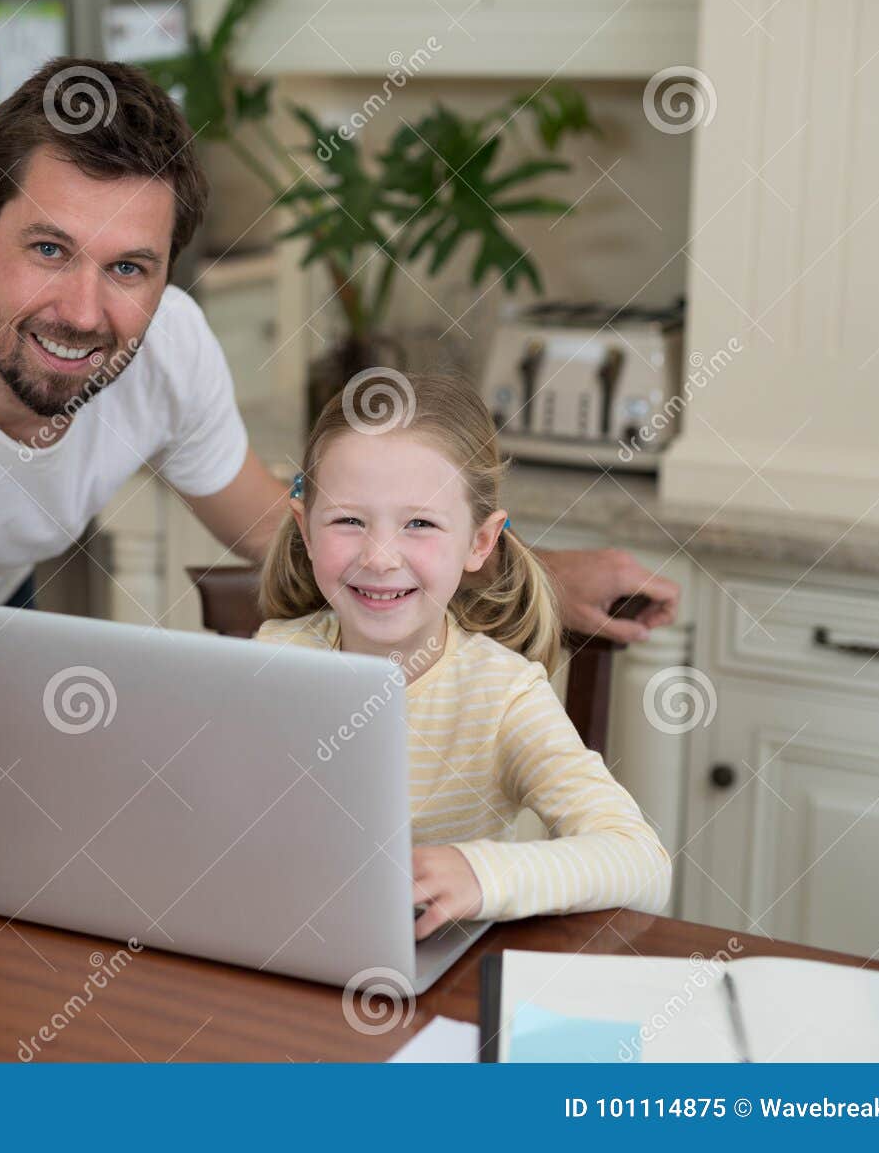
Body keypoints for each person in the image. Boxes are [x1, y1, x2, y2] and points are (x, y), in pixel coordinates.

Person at [0, 56, 678, 797]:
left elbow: (276, 528)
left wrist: (529, 573)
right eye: (47, 249)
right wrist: (127, 707)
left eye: (128, 267)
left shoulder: (169, 345)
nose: (84, 312)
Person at [254, 373, 672, 938]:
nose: (379, 557)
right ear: (306, 530)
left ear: (480, 542)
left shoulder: (502, 694)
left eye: (420, 523)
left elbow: (642, 863)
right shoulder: (274, 658)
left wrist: (480, 872)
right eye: (349, 520)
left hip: (444, 985)